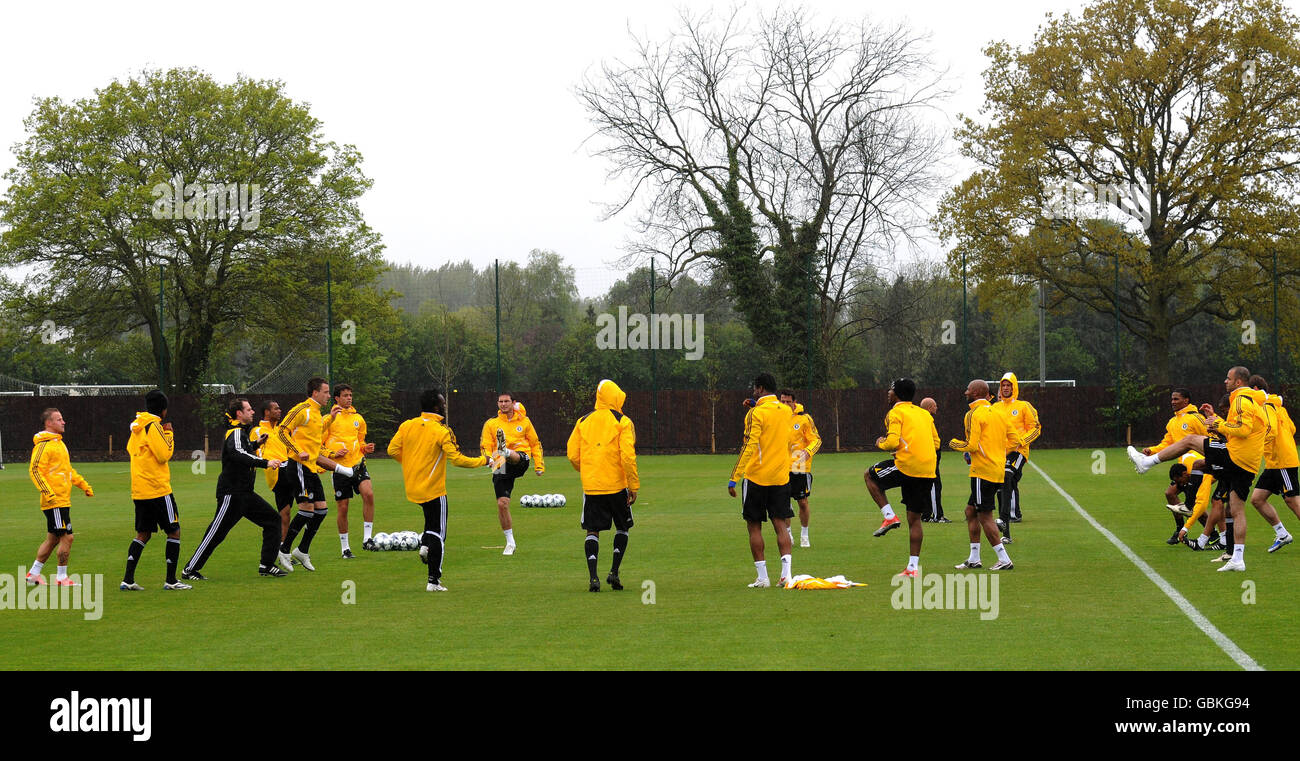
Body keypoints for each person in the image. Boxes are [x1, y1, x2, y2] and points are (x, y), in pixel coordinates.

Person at [1127, 367, 1270, 571]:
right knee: (1236, 510)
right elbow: (1246, 429)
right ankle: (1237, 558)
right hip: (1249, 464)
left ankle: (1148, 464)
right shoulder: (1255, 401)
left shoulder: (1239, 399)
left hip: (1235, 456)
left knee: (1191, 441)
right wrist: (1218, 422)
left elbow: (1243, 430)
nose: (1225, 381)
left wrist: (1218, 426)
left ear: (1238, 382)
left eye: (1228, 378)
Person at [388, 388, 492, 591]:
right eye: (443, 403)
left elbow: (392, 450)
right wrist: (484, 460)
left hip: (413, 487)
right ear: (436, 406)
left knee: (430, 522)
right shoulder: (442, 430)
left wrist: (411, 465)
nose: (445, 406)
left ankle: (424, 546)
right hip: (434, 490)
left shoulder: (407, 425)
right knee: (439, 533)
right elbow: (458, 460)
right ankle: (433, 581)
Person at [183, 398, 289, 579]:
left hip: (245, 494)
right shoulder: (235, 432)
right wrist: (266, 462)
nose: (253, 412)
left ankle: (266, 565)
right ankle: (189, 570)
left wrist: (256, 444)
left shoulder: (242, 433)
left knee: (273, 520)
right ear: (239, 414)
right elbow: (238, 454)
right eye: (248, 410)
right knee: (216, 533)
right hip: (231, 494)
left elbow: (244, 450)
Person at [276, 378, 357, 572]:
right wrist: (297, 450)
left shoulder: (317, 414)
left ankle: (302, 551)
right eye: (326, 392)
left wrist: (330, 418)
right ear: (315, 392)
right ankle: (283, 550)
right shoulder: (301, 409)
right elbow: (282, 431)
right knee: (306, 511)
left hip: (311, 469)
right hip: (298, 466)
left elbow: (316, 440)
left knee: (321, 511)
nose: (329, 396)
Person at [567, 379, 640, 592]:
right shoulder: (623, 421)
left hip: (592, 487)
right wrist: (633, 485)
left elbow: (572, 454)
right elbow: (628, 456)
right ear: (616, 397)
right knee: (623, 527)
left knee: (592, 530)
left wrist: (588, 469)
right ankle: (614, 572)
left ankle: (593, 578)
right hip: (617, 486)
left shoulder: (583, 421)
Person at [867, 378, 940, 577]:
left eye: (890, 390)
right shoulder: (924, 414)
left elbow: (891, 442)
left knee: (869, 476)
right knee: (914, 519)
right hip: (927, 470)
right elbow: (936, 442)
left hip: (907, 466)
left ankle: (889, 517)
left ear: (896, 394)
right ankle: (912, 568)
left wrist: (880, 443)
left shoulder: (895, 412)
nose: (888, 393)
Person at [728, 373, 794, 588]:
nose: (753, 391)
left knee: (754, 526)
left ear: (760, 388)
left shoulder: (755, 414)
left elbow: (749, 446)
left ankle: (763, 578)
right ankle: (786, 575)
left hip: (756, 476)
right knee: (780, 525)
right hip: (781, 477)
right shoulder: (786, 411)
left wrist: (734, 478)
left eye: (755, 388)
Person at [121, 390, 190, 591]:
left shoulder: (137, 427)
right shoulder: (154, 426)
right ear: (164, 410)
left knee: (143, 533)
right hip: (158, 488)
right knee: (174, 531)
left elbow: (130, 450)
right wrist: (168, 432)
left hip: (139, 490)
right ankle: (171, 580)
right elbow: (164, 454)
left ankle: (128, 579)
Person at [949, 379, 1016, 571]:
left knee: (985, 515)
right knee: (970, 512)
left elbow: (970, 445)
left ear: (976, 393)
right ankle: (974, 558)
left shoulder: (973, 414)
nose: (965, 392)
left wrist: (954, 443)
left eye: (968, 389)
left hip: (982, 471)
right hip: (996, 469)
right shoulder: (999, 412)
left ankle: (1004, 559)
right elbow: (1015, 440)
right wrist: (996, 453)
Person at [27, 408, 93, 587]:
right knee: (67, 537)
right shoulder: (43, 445)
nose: (63, 422)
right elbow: (35, 471)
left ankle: (33, 574)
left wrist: (83, 485)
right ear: (49, 423)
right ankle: (62, 577)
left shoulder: (60, 444)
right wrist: (48, 493)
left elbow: (68, 471)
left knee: (54, 539)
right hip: (54, 501)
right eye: (59, 419)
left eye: (62, 419)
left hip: (63, 500)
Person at [480, 391, 545, 556]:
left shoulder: (524, 422)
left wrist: (539, 465)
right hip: (499, 461)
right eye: (500, 402)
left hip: (521, 457)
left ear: (513, 403)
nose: (503, 404)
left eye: (506, 401)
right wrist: (488, 459)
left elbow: (535, 444)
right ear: (497, 404)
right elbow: (486, 444)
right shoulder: (491, 424)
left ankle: (507, 451)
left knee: (515, 455)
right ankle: (510, 542)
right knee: (502, 504)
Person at [324, 384, 377, 558]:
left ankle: (367, 539)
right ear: (336, 398)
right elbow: (319, 445)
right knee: (343, 508)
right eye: (345, 395)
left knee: (368, 494)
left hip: (358, 464)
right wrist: (333, 454)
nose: (349, 398)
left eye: (350, 395)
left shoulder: (359, 419)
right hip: (340, 469)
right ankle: (345, 548)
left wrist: (365, 448)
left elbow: (360, 441)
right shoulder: (328, 419)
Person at [1247, 376, 1295, 553]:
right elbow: (1292, 428)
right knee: (1257, 499)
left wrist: (1256, 443)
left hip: (1282, 460)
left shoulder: (1267, 406)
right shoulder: (1276, 405)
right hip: (1274, 462)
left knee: (1292, 500)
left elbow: (1271, 430)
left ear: (1257, 389)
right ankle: (1282, 534)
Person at [992, 372, 1040, 540]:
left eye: (1009, 385)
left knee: (1007, 475)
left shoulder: (1023, 406)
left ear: (1014, 387)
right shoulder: (995, 408)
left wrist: (1022, 441)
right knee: (1001, 487)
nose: (1006, 388)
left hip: (1018, 452)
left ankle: (1005, 520)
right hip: (999, 453)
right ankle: (1006, 532)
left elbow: (1035, 428)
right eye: (1003, 385)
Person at [779, 389, 821, 547]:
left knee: (802, 502)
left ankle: (805, 534)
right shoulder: (777, 416)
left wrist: (808, 451)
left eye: (788, 401)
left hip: (799, 466)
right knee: (783, 502)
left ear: (794, 402)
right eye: (782, 401)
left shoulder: (804, 419)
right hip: (780, 465)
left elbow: (816, 440)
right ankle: (788, 534)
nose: (785, 404)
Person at [253, 400, 290, 538]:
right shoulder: (257, 431)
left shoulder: (281, 431)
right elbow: (257, 452)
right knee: (309, 506)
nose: (279, 410)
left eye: (279, 408)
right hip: (277, 473)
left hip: (288, 470)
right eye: (276, 408)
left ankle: (282, 550)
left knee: (285, 513)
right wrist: (269, 463)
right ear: (267, 412)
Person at [919, 397, 949, 523]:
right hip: (931, 454)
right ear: (929, 407)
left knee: (927, 485)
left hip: (928, 454)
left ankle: (926, 514)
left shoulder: (921, 418)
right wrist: (935, 448)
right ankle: (937, 516)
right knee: (934, 485)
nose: (936, 407)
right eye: (935, 405)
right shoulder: (926, 418)